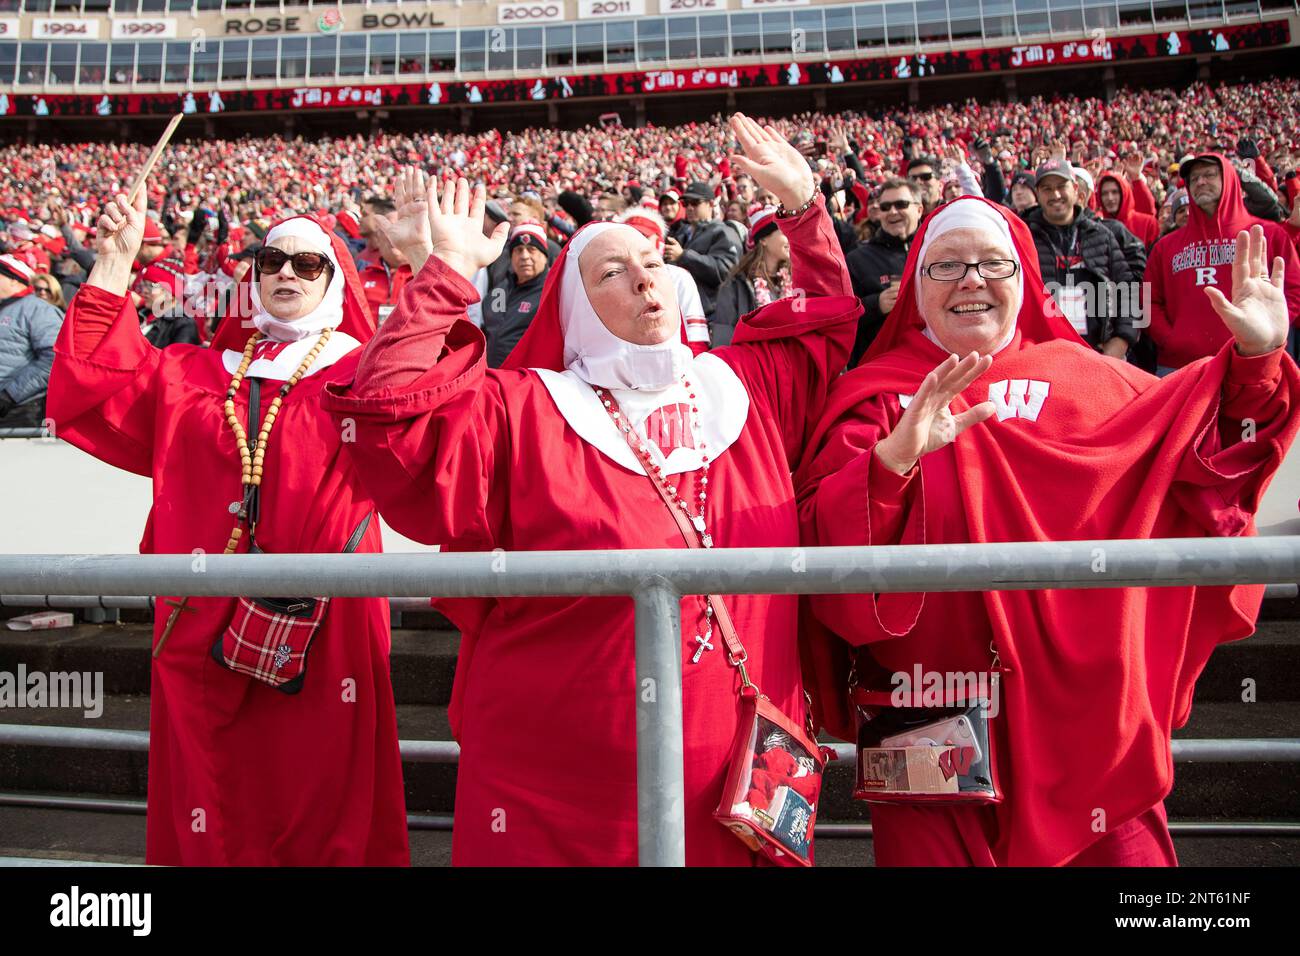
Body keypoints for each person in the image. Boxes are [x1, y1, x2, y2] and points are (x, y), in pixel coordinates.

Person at [322, 114, 860, 866]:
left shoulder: (743, 384)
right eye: (612, 270)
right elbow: (386, 419)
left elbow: (827, 324)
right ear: (573, 310)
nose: (646, 276)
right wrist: (441, 274)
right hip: (560, 789)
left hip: (738, 772)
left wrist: (806, 210)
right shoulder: (520, 407)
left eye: (651, 260)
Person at [796, 196, 1300, 867]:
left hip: (1081, 712)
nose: (970, 279)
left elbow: (1210, 465)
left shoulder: (1094, 382)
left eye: (991, 263)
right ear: (914, 289)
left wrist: (1259, 360)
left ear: (1025, 280)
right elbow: (818, 543)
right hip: (921, 709)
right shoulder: (873, 398)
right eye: (945, 265)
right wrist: (892, 463)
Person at [45, 189, 408, 866]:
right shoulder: (193, 374)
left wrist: (427, 263)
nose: (287, 274)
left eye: (308, 263)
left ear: (334, 279)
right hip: (202, 628)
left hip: (325, 628)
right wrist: (113, 266)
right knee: (215, 803)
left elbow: (443, 409)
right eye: (272, 260)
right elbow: (93, 385)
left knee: (324, 792)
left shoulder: (366, 373)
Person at [1146, 152, 1300, 373]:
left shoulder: (1267, 234)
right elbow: (1149, 300)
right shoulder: (1165, 246)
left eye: (1209, 175)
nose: (1200, 182)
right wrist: (1171, 339)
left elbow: (1294, 290)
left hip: (1251, 362)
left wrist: (1268, 328)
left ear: (1228, 179)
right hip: (1181, 367)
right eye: (1194, 178)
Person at [1023, 160, 1137, 357]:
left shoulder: (1102, 234)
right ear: (1038, 195)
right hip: (1044, 354)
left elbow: (1128, 289)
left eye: (1061, 186)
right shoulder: (1024, 237)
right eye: (1047, 189)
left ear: (1076, 189)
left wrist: (1120, 341)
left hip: (1098, 352)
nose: (1055, 195)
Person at [845, 178, 922, 367]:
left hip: (933, 363)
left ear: (919, 209)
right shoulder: (858, 259)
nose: (893, 212)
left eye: (901, 204)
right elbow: (841, 317)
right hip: (881, 369)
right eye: (886, 207)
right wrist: (876, 304)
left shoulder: (937, 250)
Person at [710, 204, 794, 348]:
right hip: (751, 365)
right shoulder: (736, 285)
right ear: (763, 240)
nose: (790, 236)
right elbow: (723, 338)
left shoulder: (795, 279)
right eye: (783, 231)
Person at [663, 181, 742, 322]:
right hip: (683, 311)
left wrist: (683, 256)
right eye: (686, 204)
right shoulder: (682, 233)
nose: (690, 208)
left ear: (711, 204)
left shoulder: (723, 231)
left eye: (695, 203)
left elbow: (726, 272)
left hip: (711, 315)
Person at [0, 253, 63, 427]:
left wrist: (9, 395)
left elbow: (54, 358)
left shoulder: (38, 310)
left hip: (17, 411)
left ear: (14, 280)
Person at [482, 220, 551, 367]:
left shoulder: (552, 292)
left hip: (527, 380)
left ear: (544, 256)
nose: (524, 256)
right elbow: (490, 328)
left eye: (531, 249)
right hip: (491, 376)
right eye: (518, 250)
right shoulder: (499, 291)